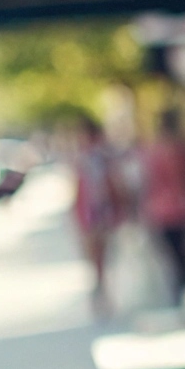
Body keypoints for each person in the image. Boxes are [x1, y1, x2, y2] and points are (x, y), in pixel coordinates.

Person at [139, 109, 185, 301]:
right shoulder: (180, 151)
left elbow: (148, 184)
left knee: (175, 259)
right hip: (180, 209)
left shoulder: (154, 153)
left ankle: (182, 294)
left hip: (163, 211)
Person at [72, 116, 122, 317]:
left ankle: (103, 295)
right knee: (98, 260)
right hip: (94, 215)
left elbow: (114, 187)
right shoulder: (86, 159)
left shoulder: (102, 158)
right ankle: (101, 295)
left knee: (102, 259)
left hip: (101, 214)